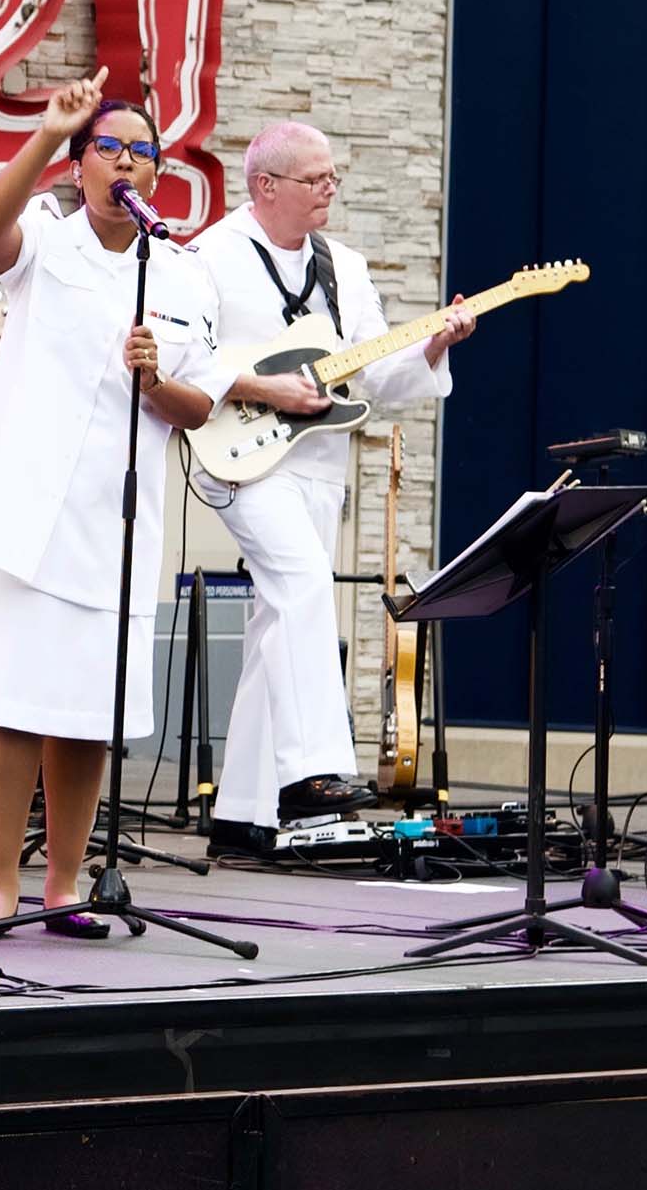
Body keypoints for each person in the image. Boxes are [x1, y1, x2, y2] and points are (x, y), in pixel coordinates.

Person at [0, 80, 235, 931]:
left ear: (159, 175)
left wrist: (155, 378)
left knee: (82, 715)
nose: (125, 161)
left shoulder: (181, 271)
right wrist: (48, 131)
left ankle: (64, 882)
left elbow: (199, 404)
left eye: (141, 151)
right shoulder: (46, 246)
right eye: (107, 147)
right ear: (78, 167)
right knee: (11, 698)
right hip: (21, 511)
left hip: (115, 519)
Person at [191, 120, 470, 848]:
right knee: (305, 582)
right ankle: (313, 773)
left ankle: (240, 813)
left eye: (332, 176)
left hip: (318, 463)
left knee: (276, 620)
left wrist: (433, 341)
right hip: (240, 458)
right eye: (314, 178)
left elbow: (375, 370)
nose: (329, 188)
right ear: (265, 186)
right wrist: (268, 389)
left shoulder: (341, 265)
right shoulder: (208, 257)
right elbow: (187, 359)